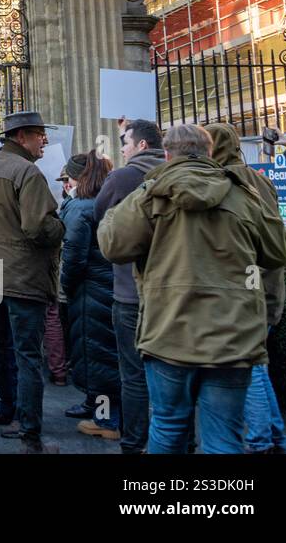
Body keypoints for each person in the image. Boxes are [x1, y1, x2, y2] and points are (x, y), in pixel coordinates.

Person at [99, 123, 286, 454]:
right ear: (210, 152)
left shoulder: (151, 194)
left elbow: (112, 244)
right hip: (233, 334)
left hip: (169, 331)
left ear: (168, 154)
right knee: (224, 438)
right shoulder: (243, 193)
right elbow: (278, 252)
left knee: (168, 426)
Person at [0, 111, 64, 455]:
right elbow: (38, 228)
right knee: (27, 358)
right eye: (39, 135)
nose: (44, 141)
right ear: (21, 136)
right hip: (24, 278)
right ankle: (30, 440)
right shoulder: (28, 173)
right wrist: (60, 226)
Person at [207, 123, 286, 454]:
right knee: (257, 363)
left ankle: (260, 441)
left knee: (248, 366)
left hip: (247, 287)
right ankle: (273, 437)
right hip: (267, 283)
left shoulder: (224, 182)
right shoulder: (258, 179)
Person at [93, 117, 164, 455]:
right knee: (173, 370)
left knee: (133, 373)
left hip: (129, 292)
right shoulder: (180, 174)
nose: (120, 148)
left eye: (125, 142)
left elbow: (101, 219)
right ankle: (181, 441)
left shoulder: (122, 177)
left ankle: (134, 443)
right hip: (172, 294)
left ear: (142, 146)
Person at [58, 150, 120, 441]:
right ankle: (95, 405)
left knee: (96, 354)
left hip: (89, 288)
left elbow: (73, 257)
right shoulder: (110, 201)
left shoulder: (80, 207)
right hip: (111, 285)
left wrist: (66, 287)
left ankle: (105, 419)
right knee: (105, 351)